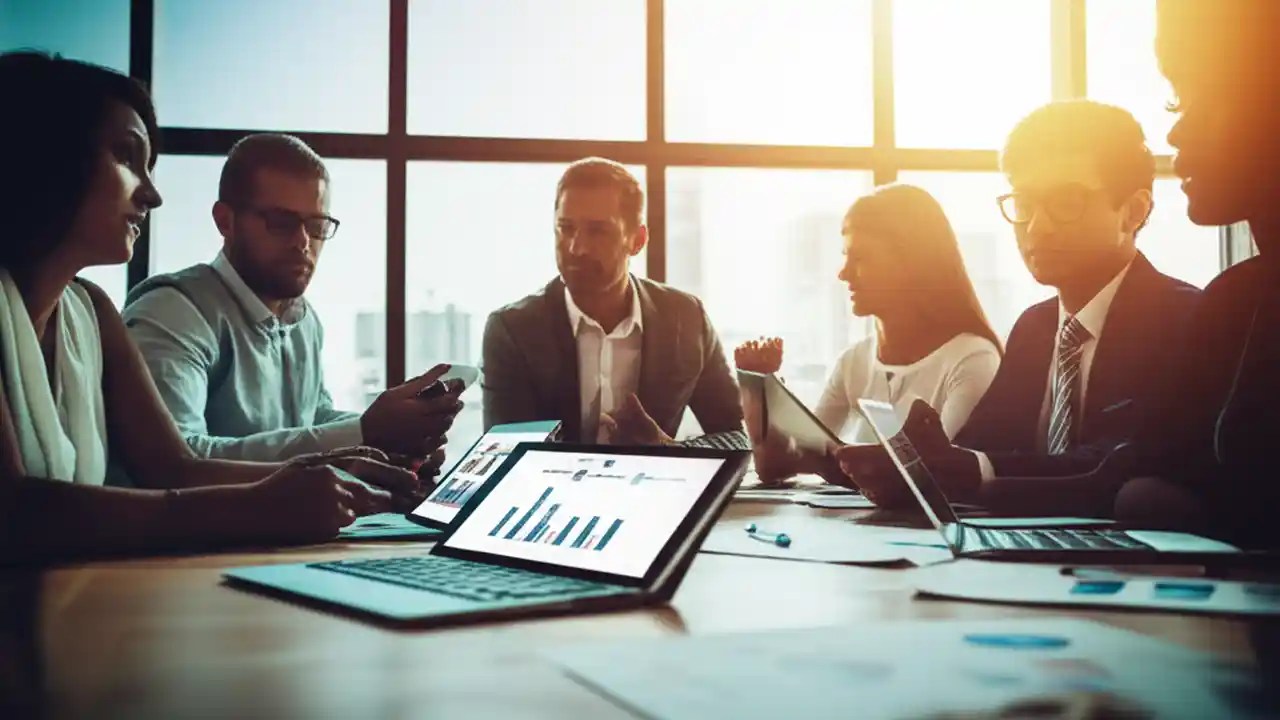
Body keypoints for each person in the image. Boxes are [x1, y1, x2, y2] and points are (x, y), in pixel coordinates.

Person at [0, 51, 420, 562]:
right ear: (44, 157)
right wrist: (263, 504)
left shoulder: (93, 311)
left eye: (315, 226)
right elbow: (11, 510)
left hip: (77, 594)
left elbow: (173, 466)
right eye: (128, 158)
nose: (152, 194)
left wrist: (347, 465)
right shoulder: (175, 308)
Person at [839, 101, 1201, 515]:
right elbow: (981, 446)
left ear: (1133, 212)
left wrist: (967, 470)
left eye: (1066, 202)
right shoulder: (1036, 327)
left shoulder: (1183, 319)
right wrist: (917, 464)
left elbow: (1117, 464)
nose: (1037, 227)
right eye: (1025, 202)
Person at [122, 133, 460, 465]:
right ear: (225, 221)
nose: (303, 242)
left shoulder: (303, 320)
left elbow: (314, 419)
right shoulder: (172, 312)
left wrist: (391, 443)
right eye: (281, 222)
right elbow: (179, 460)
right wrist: (365, 433)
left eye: (317, 225)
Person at [1113, 0, 1280, 548]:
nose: (1178, 132)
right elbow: (1138, 473)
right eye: (1177, 101)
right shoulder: (1234, 301)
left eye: (1202, 95)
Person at [734, 183, 1002, 483]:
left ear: (912, 262)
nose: (843, 273)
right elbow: (775, 467)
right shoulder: (854, 361)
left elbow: (938, 472)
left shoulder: (972, 359)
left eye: (860, 258)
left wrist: (833, 458)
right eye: (846, 256)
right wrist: (758, 389)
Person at [481, 157, 743, 445]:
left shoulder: (686, 319)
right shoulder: (513, 331)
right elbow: (504, 454)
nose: (577, 248)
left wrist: (667, 449)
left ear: (637, 240)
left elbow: (735, 437)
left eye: (598, 231)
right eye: (565, 228)